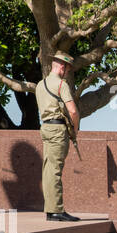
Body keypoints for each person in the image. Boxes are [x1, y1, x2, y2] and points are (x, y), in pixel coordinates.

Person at [36, 51, 81, 222]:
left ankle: (51, 209)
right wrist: (75, 129)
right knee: (54, 170)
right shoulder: (61, 85)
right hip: (57, 130)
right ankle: (56, 211)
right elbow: (73, 111)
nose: (67, 72)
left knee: (48, 169)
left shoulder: (40, 85)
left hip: (46, 127)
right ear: (62, 66)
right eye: (67, 69)